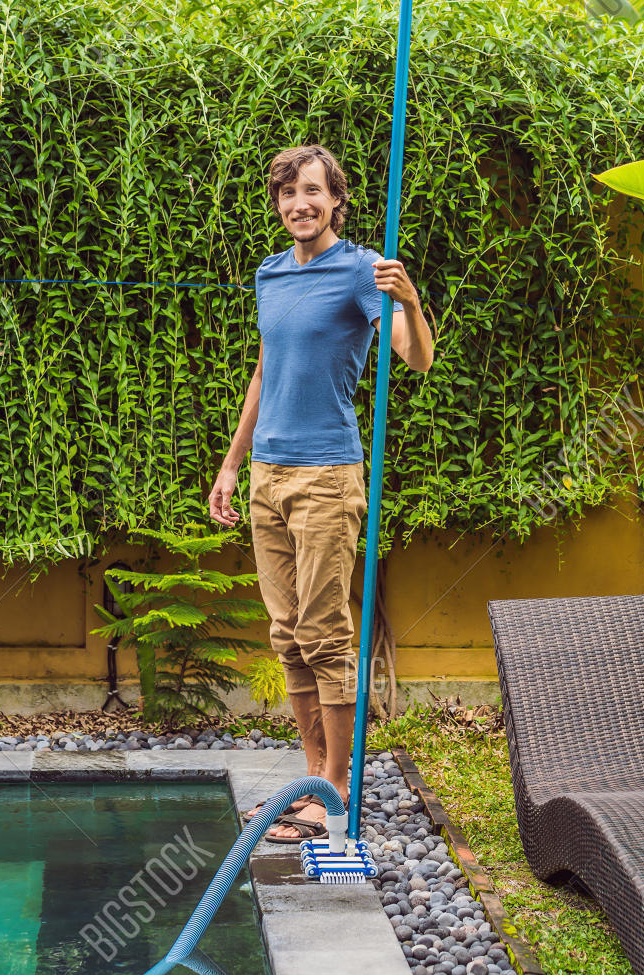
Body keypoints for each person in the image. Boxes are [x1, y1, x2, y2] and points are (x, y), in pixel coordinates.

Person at [208, 144, 434, 842]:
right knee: (287, 637)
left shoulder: (364, 271)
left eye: (312, 191)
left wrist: (411, 301)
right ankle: (311, 780)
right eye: (287, 194)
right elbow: (264, 370)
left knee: (326, 635)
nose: (298, 204)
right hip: (269, 476)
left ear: (336, 198)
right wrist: (232, 461)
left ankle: (335, 789)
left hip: (328, 478)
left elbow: (415, 357)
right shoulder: (270, 274)